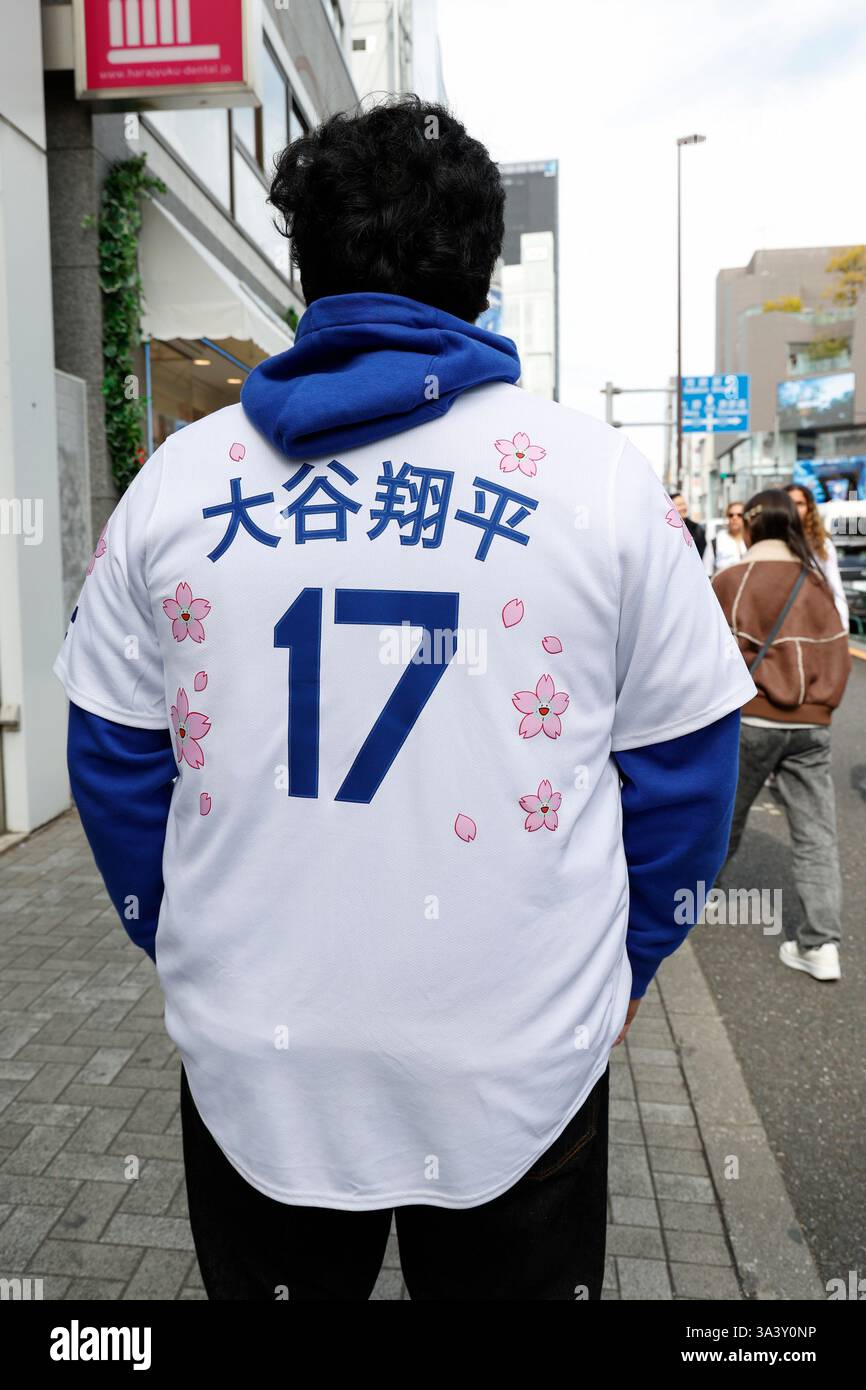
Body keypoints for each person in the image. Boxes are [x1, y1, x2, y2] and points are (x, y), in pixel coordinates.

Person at [54, 96, 756, 1301]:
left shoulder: (179, 484)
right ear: (479, 271)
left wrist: (185, 932)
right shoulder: (594, 483)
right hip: (518, 1056)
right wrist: (622, 968)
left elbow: (114, 759)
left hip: (255, 1054)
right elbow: (688, 766)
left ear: (302, 261)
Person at [713, 490, 851, 982]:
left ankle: (696, 897)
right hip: (813, 724)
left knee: (725, 816)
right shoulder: (814, 581)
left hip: (751, 718)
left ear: (749, 527)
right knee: (817, 834)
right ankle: (822, 944)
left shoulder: (732, 579)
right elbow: (837, 645)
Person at [785, 483, 849, 629]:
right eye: (790, 503)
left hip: (814, 621)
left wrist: (842, 628)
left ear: (809, 508)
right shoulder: (773, 541)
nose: (795, 508)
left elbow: (835, 587)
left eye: (800, 503)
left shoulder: (822, 544)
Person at [704, 501, 747, 576]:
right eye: (731, 515)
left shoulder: (753, 540)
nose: (734, 518)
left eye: (739, 515)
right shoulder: (716, 541)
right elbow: (706, 572)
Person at [669, 491, 706, 557]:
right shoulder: (666, 530)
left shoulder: (697, 529)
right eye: (679, 505)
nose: (683, 507)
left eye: (684, 504)